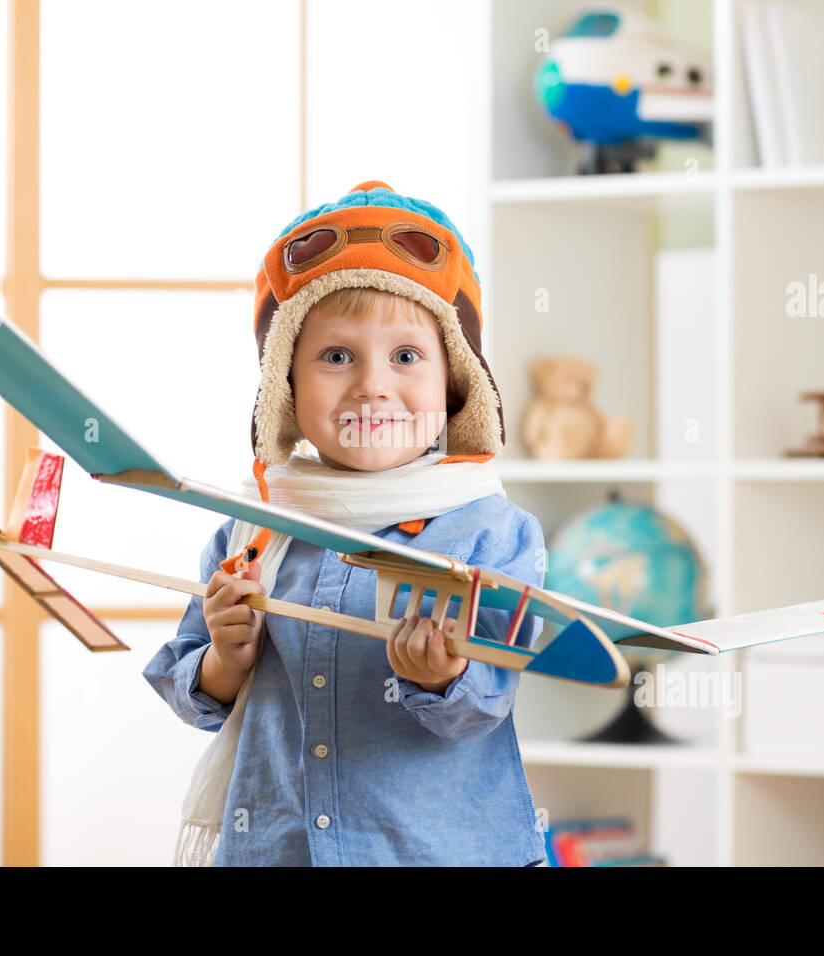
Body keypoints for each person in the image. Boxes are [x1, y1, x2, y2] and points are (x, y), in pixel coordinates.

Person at [142, 181, 549, 866]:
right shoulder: (251, 530)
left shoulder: (491, 531)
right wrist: (224, 659)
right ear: (286, 387)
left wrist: (442, 675)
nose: (371, 385)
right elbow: (196, 698)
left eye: (407, 357)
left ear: (454, 384)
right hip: (278, 849)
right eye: (336, 357)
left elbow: (482, 707)